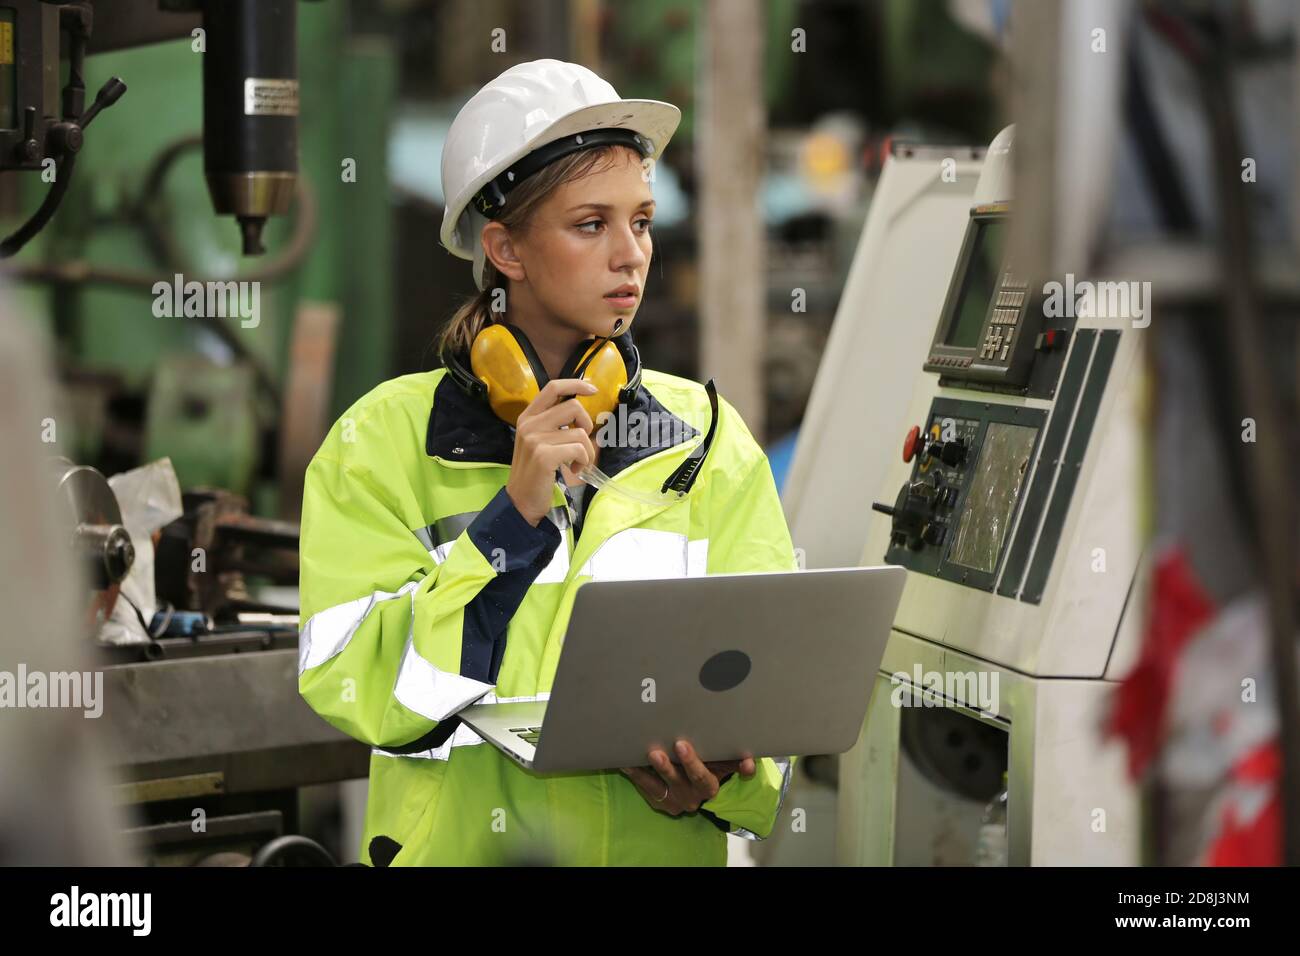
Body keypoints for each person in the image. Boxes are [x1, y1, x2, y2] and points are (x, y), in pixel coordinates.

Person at [298, 59, 797, 866]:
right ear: (506, 249)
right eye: (590, 224)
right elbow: (365, 693)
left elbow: (772, 693)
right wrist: (511, 523)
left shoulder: (707, 439)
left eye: (641, 221)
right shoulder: (379, 445)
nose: (631, 255)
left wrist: (722, 785)